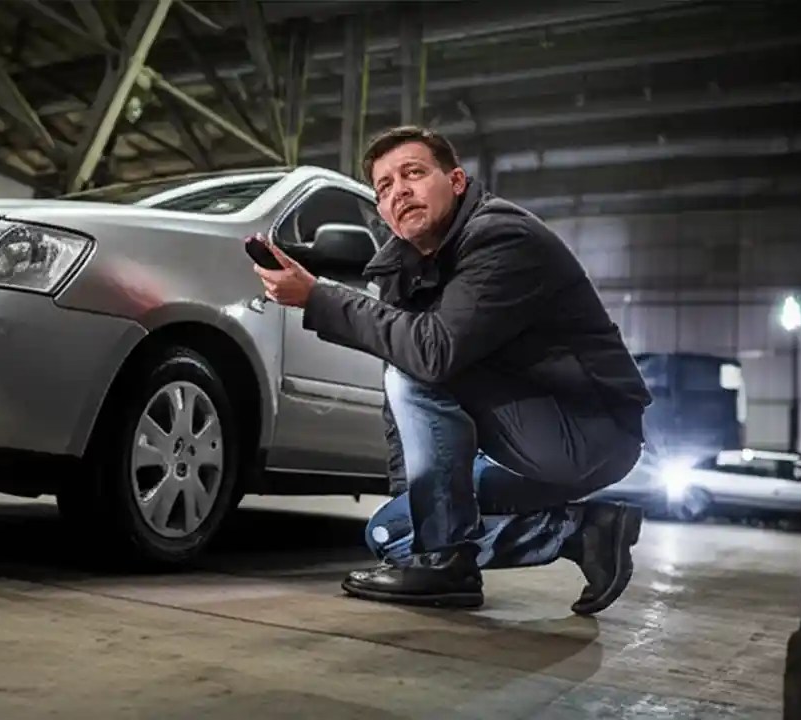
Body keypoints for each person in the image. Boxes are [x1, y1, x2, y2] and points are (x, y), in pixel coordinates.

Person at [250, 125, 653, 614]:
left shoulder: (501, 237)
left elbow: (432, 356)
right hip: (518, 447)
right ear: (381, 211)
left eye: (413, 173)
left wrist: (318, 297)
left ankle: (445, 559)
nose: (399, 190)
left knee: (418, 365)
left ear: (456, 181)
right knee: (391, 533)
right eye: (384, 186)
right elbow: (402, 410)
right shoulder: (406, 270)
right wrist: (414, 500)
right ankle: (579, 533)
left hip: (589, 431)